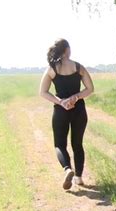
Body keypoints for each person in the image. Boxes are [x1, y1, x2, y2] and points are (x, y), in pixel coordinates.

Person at [39, 39, 94, 190]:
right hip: (79, 110)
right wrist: (76, 97)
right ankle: (78, 178)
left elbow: (42, 92)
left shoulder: (52, 69)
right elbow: (90, 88)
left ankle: (67, 169)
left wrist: (60, 101)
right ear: (67, 50)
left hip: (61, 111)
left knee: (59, 144)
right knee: (77, 144)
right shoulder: (78, 67)